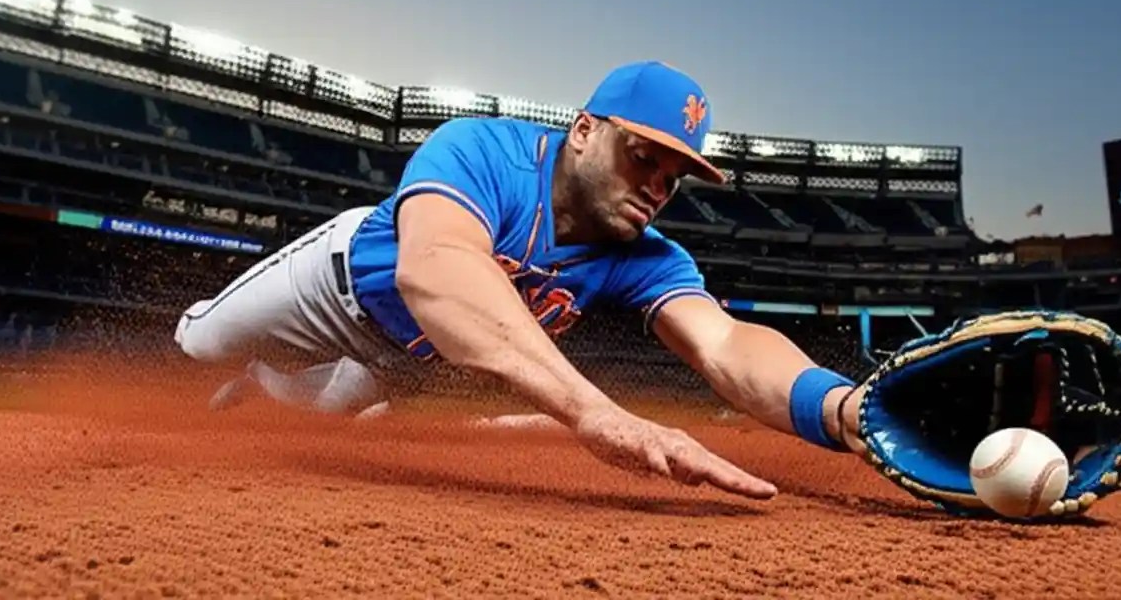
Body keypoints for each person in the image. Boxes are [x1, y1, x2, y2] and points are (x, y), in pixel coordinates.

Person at [174, 60, 864, 500]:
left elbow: (726, 346)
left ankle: (269, 389)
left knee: (295, 422)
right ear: (585, 131)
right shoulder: (483, 150)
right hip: (333, 288)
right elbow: (435, 270)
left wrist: (838, 407)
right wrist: (593, 410)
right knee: (195, 349)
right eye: (642, 155)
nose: (656, 185)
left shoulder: (648, 257)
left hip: (404, 361)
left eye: (672, 176)